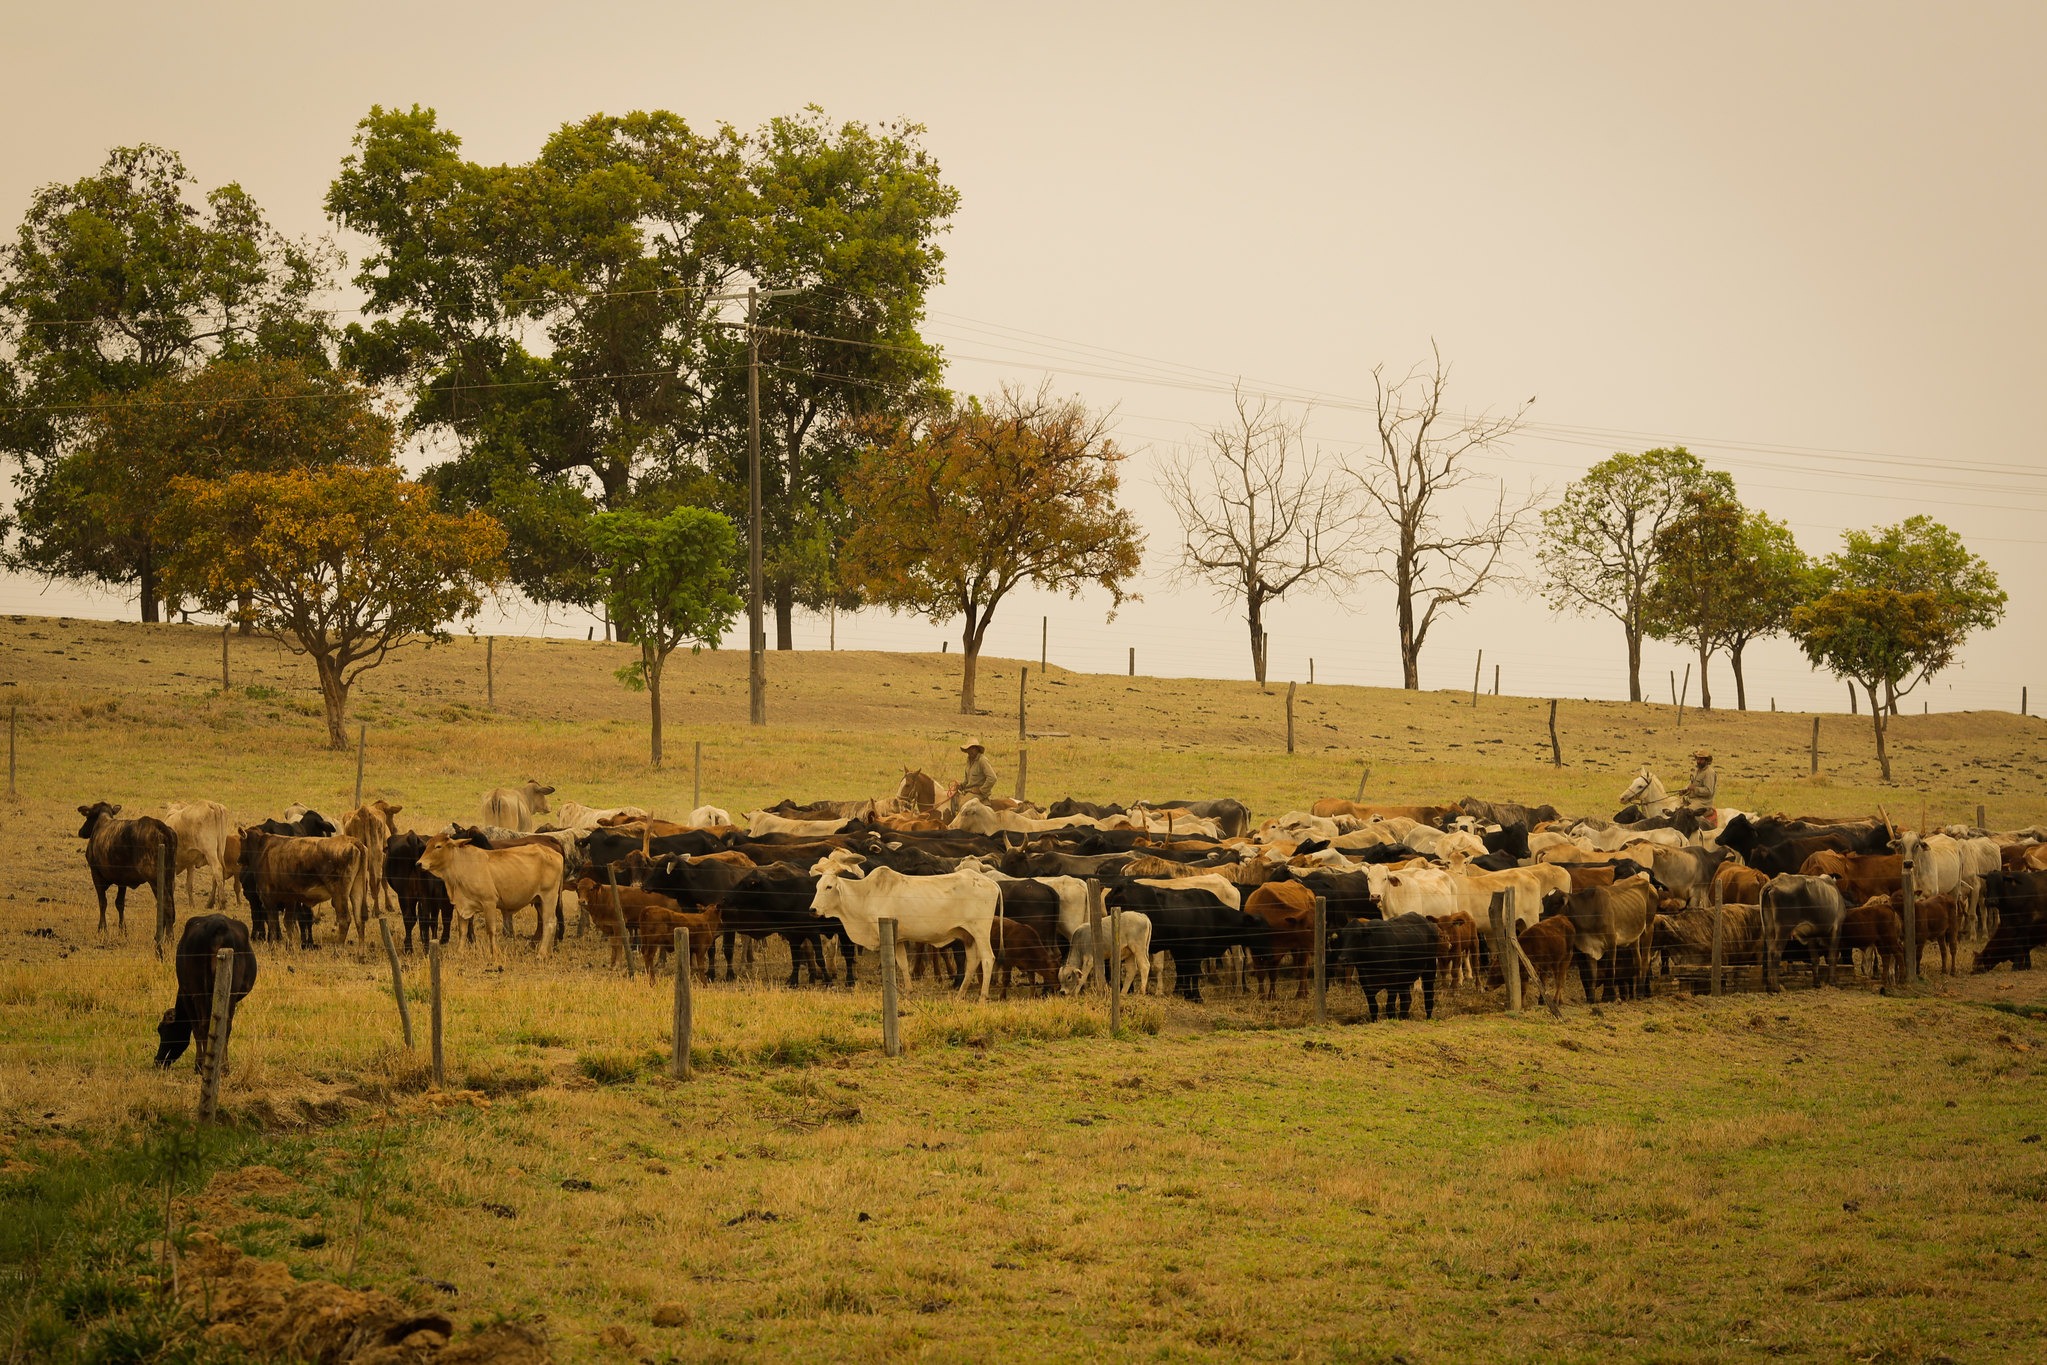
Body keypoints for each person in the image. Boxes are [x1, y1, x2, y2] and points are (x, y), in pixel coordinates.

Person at [944, 741, 997, 818]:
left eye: (973, 748)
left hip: (978, 793)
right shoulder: (969, 760)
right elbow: (967, 780)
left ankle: (963, 827)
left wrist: (981, 790)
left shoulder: (982, 760)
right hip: (968, 791)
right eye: (968, 749)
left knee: (963, 805)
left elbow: (992, 778)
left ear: (977, 749)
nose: (970, 751)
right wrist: (960, 785)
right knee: (951, 798)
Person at [1680, 749, 1717, 814]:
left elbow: (1709, 791)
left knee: (1685, 813)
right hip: (1691, 800)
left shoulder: (1709, 773)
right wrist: (1685, 790)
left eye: (1701, 760)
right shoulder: (1697, 770)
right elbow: (1691, 785)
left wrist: (1695, 789)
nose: (1699, 761)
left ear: (1706, 760)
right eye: (1698, 759)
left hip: (1703, 803)